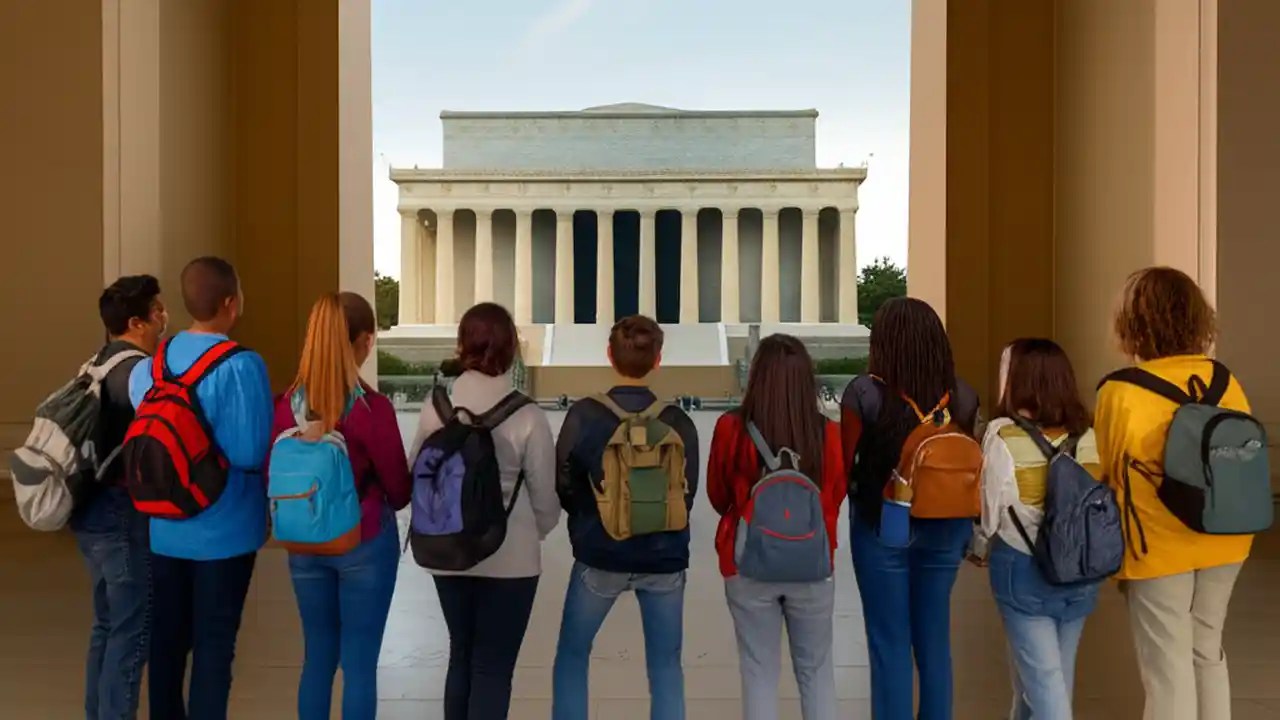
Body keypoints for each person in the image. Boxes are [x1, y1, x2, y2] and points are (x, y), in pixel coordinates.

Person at [1095, 267, 1255, 720]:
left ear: (1133, 323)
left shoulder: (1121, 390)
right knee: (1207, 648)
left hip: (1157, 543)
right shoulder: (1226, 380)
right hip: (1227, 533)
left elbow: (1109, 470)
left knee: (1167, 663)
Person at [128, 257, 273, 720]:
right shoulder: (242, 365)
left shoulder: (149, 367)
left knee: (167, 643)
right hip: (225, 531)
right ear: (230, 303)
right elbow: (249, 452)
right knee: (214, 646)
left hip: (164, 527)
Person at [410, 302, 560, 720]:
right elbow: (546, 500)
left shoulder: (435, 406)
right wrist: (534, 530)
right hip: (512, 558)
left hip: (447, 550)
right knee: (493, 667)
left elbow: (415, 472)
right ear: (511, 348)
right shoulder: (527, 414)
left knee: (461, 655)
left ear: (462, 345)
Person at [268, 292, 410, 720]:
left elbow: (269, 473)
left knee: (317, 659)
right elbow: (399, 491)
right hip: (362, 540)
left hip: (304, 544)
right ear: (365, 341)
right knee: (360, 666)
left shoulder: (285, 407)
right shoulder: (372, 409)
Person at [552, 315, 700, 720]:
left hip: (601, 553)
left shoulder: (584, 415)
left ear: (609, 356)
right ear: (658, 359)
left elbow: (563, 481)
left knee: (572, 655)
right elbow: (688, 493)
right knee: (666, 666)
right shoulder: (679, 421)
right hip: (665, 556)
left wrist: (593, 513)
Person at [840, 297, 979, 720]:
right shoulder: (962, 396)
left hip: (882, 525)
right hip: (948, 525)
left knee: (889, 642)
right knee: (934, 639)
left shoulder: (864, 393)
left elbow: (849, 469)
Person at [707, 334, 846, 720]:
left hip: (748, 560)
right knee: (817, 674)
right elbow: (833, 498)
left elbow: (718, 497)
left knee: (759, 673)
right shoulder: (828, 433)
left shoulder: (730, 428)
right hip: (813, 563)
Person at [977, 339, 1103, 720]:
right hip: (1082, 569)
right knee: (1048, 676)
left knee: (1044, 683)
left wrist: (979, 547)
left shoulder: (1002, 434)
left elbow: (990, 510)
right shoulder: (1090, 434)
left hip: (1023, 568)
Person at [70, 275, 167, 720]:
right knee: (132, 630)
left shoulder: (94, 364)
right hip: (121, 512)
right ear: (137, 321)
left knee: (106, 625)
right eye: (158, 311)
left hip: (88, 509)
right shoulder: (137, 372)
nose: (164, 317)